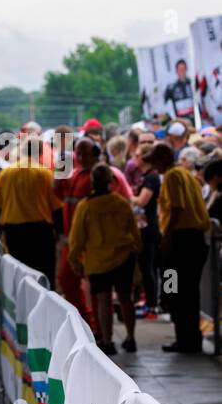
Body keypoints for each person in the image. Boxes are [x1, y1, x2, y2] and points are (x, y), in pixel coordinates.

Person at [68, 164, 141, 355]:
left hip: (97, 261)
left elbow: (77, 238)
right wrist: (138, 251)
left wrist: (74, 260)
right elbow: (133, 230)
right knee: (126, 298)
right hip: (124, 257)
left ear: (92, 182)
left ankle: (107, 341)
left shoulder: (85, 206)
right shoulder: (121, 202)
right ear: (111, 181)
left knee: (103, 301)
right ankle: (131, 338)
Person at [152, 142, 210, 353]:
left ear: (164, 158)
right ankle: (190, 338)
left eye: (156, 161)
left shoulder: (173, 176)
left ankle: (184, 338)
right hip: (193, 241)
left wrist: (166, 238)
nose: (154, 167)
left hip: (180, 242)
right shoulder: (187, 175)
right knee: (189, 292)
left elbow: (177, 208)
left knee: (173, 288)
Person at [0, 134, 64, 286]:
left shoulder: (6, 174)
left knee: (19, 277)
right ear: (41, 153)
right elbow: (57, 208)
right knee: (44, 277)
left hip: (14, 235)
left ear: (22, 151)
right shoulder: (45, 175)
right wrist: (59, 233)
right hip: (41, 234)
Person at [133, 143, 163, 316]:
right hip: (146, 225)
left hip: (149, 227)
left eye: (137, 156)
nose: (134, 159)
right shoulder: (147, 176)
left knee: (148, 266)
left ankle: (152, 305)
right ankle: (151, 301)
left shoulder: (151, 178)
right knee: (147, 266)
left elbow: (142, 201)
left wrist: (128, 196)